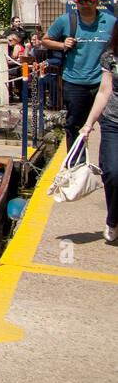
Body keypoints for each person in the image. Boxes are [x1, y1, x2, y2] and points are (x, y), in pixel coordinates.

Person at [44, 0, 118, 149]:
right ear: (76, 3)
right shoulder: (66, 20)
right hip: (75, 81)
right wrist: (62, 44)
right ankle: (75, 162)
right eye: (81, 1)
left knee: (108, 124)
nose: (85, 5)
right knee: (74, 125)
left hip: (102, 81)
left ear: (96, 2)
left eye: (89, 1)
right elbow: (46, 39)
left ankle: (107, 161)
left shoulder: (110, 21)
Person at [79, 26, 118, 242]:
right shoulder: (110, 57)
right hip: (114, 120)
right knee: (112, 172)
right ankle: (113, 220)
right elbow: (105, 91)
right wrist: (88, 124)